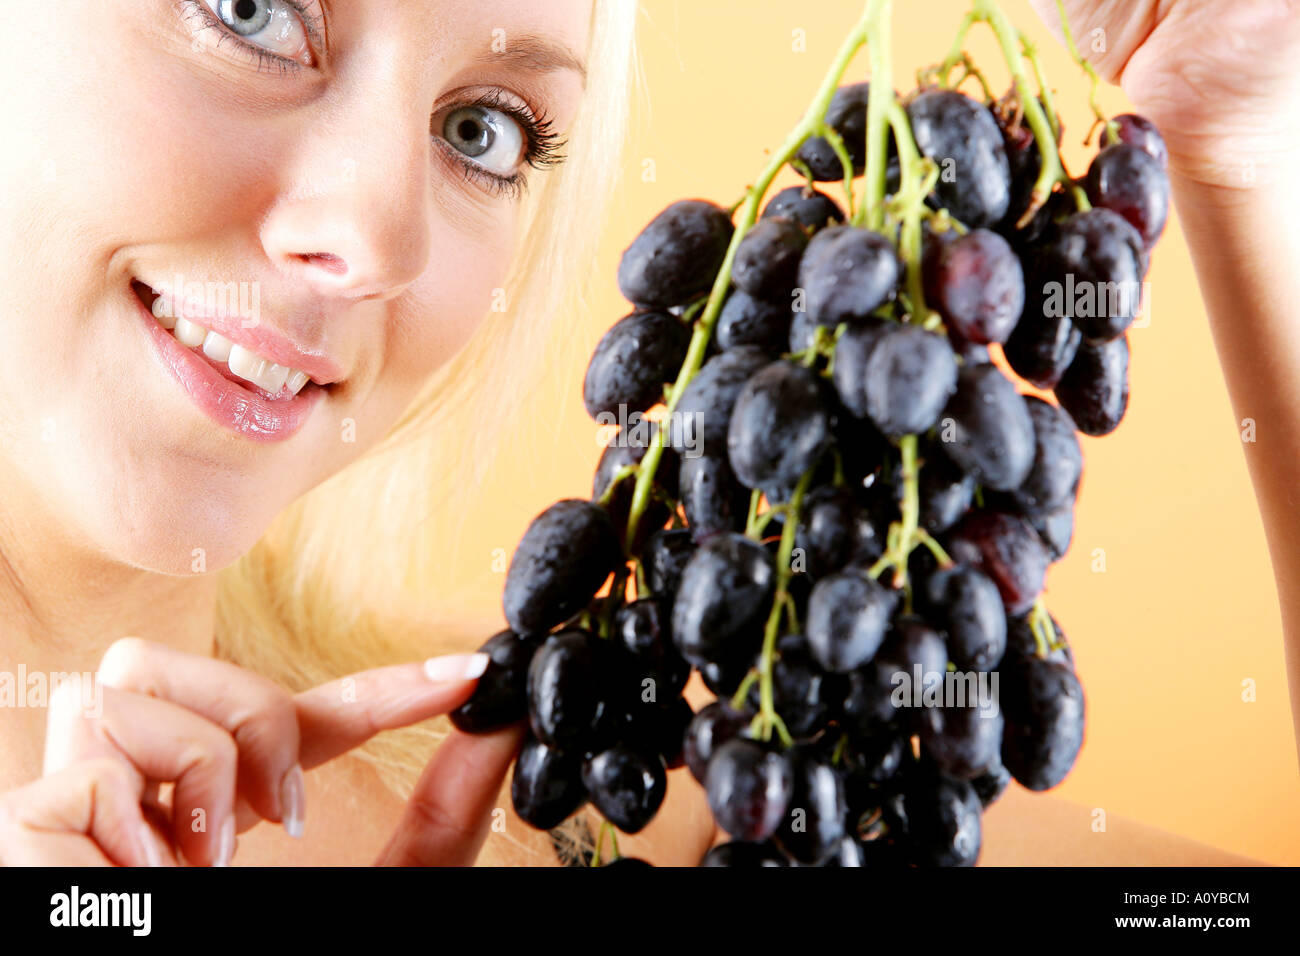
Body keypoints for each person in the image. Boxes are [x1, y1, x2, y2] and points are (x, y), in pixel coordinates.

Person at [0, 0, 1290, 866]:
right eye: (248, 5)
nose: (373, 240)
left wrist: (1251, 142)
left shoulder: (567, 761)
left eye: (482, 130)